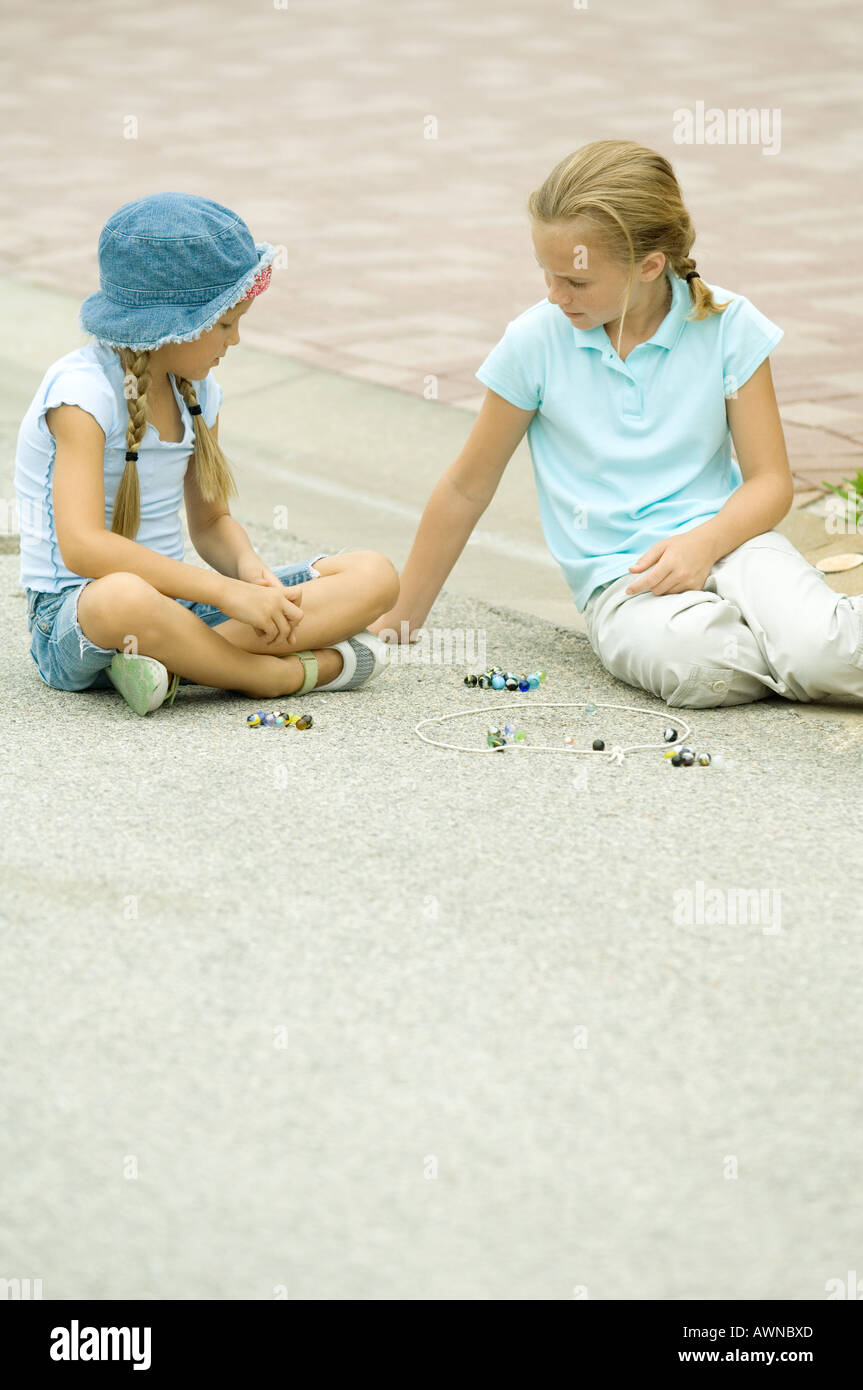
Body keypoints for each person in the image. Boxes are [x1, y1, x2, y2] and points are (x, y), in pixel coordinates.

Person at [372, 140, 863, 708]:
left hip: (737, 542)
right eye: (547, 275)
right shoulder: (534, 342)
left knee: (819, 649)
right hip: (623, 583)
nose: (555, 296)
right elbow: (466, 485)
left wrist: (703, 545)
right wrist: (404, 616)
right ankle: (804, 646)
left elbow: (770, 483)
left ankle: (811, 646)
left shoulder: (731, 326)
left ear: (650, 266)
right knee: (700, 668)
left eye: (576, 282)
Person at [15, 192, 398, 716]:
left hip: (176, 607)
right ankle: (266, 674)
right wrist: (224, 595)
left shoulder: (198, 393)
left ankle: (175, 661)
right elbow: (84, 548)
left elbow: (212, 522)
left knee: (374, 575)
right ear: (171, 324)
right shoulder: (81, 394)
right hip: (77, 616)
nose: (235, 339)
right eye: (223, 323)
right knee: (123, 596)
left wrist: (250, 574)